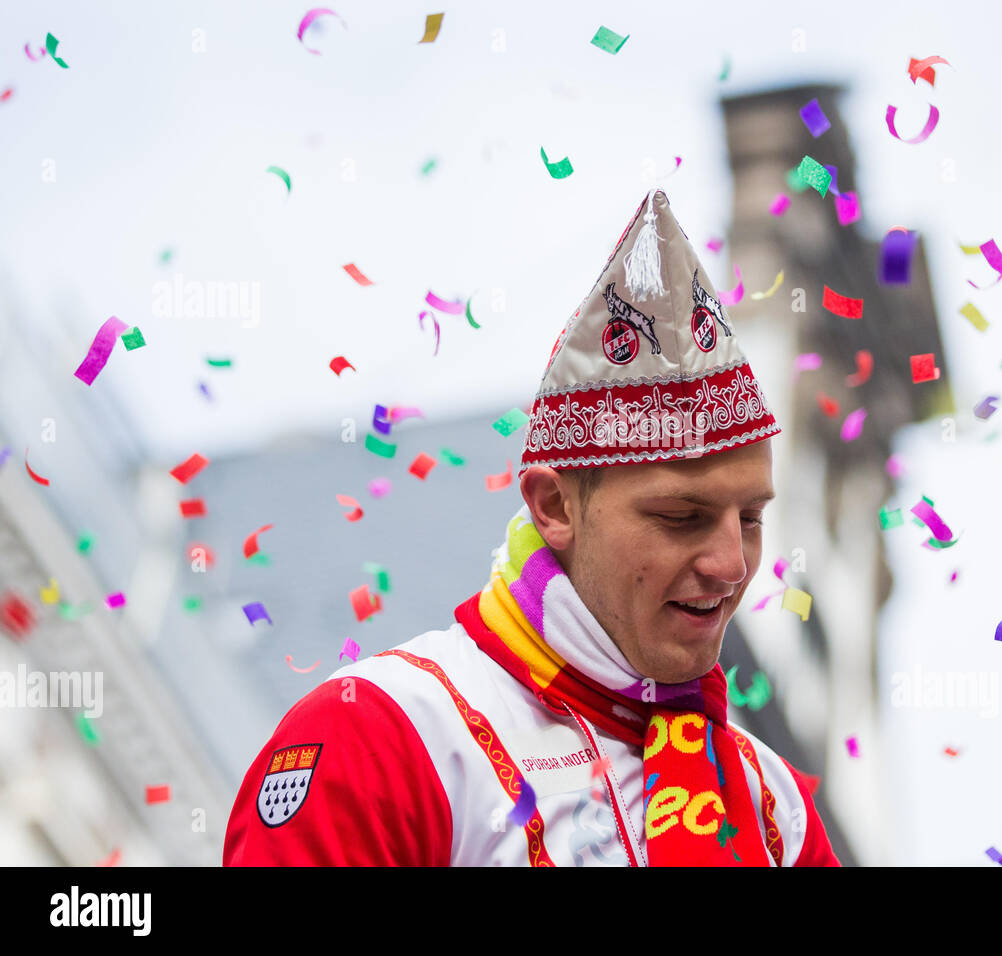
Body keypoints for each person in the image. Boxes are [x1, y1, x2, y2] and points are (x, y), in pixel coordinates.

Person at [223, 189, 840, 866]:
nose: (729, 563)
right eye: (680, 517)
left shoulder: (774, 808)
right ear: (554, 507)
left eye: (750, 517)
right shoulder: (383, 733)